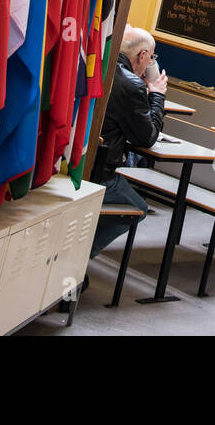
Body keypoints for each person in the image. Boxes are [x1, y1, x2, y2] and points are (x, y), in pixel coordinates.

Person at [89, 27, 168, 258]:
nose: (149, 63)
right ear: (142, 56)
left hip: (77, 161)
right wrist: (157, 96)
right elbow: (147, 137)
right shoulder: (131, 85)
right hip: (100, 175)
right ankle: (79, 255)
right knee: (138, 208)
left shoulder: (98, 66)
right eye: (151, 57)